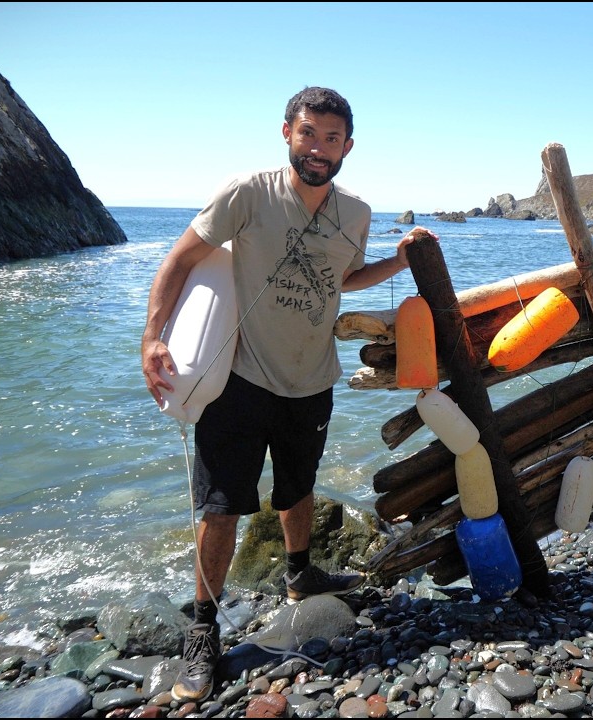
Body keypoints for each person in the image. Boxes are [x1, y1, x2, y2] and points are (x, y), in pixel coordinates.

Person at [140, 86, 435, 703]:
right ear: (286, 133)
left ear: (348, 147)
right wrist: (154, 338)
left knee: (297, 486)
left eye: (331, 139)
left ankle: (300, 574)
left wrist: (396, 264)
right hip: (240, 379)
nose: (318, 149)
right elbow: (179, 259)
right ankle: (202, 631)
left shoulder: (355, 212)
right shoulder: (248, 192)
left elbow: (342, 279)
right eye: (308, 134)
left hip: (312, 379)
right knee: (221, 506)